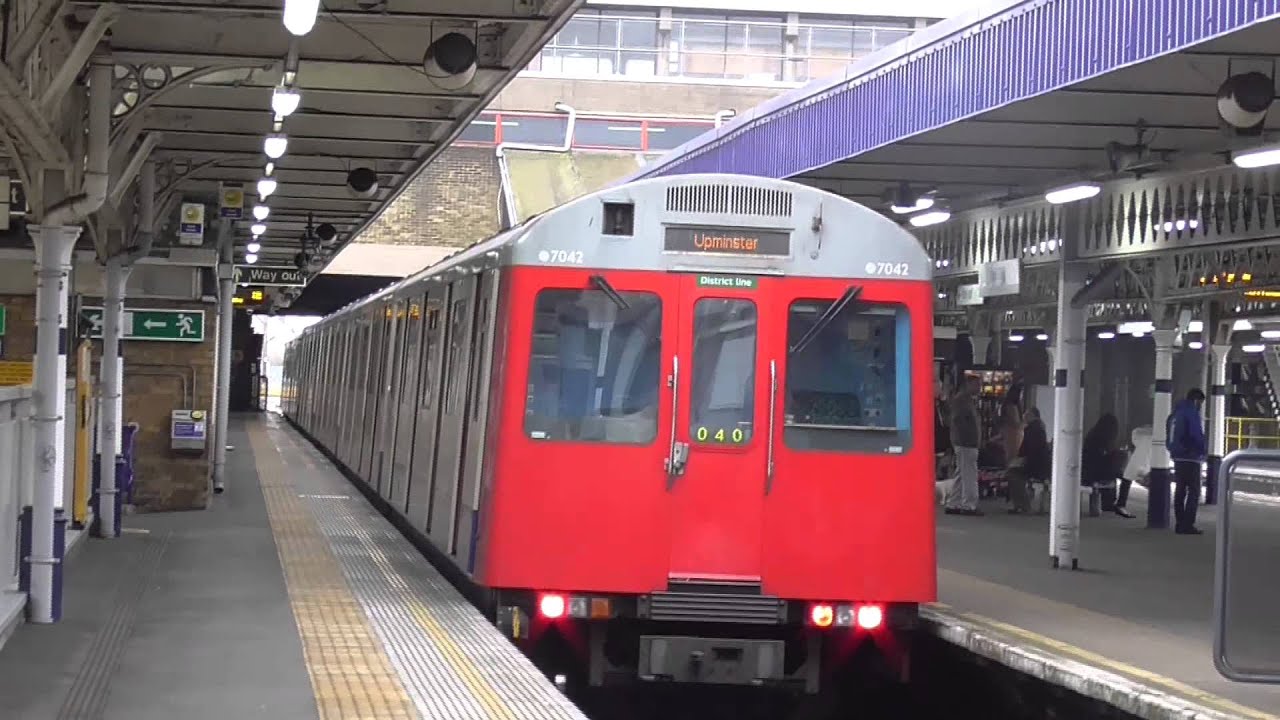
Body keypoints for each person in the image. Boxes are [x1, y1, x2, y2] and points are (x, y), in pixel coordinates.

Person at [1167, 388, 1207, 535]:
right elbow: (1196, 434)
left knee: (1180, 490)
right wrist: (1202, 451)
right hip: (1191, 457)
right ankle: (1188, 524)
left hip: (1177, 457)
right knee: (1194, 491)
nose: (1200, 407)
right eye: (1200, 403)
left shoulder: (1175, 413)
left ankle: (1179, 523)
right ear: (1196, 400)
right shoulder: (1191, 413)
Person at [945, 374, 983, 516]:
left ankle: (953, 502)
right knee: (969, 474)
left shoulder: (964, 400)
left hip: (964, 442)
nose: (979, 388)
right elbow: (958, 421)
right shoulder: (962, 401)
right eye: (977, 385)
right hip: (966, 442)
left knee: (961, 473)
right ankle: (969, 505)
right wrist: (968, 437)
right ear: (968, 384)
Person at [1081, 413, 1130, 516]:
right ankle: (1113, 503)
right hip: (1096, 473)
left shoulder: (1092, 435)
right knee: (1124, 475)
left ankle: (1109, 502)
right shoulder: (1103, 439)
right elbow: (1104, 458)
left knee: (1116, 472)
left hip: (1087, 471)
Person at [1009, 407, 1050, 514]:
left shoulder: (1032, 429)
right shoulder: (1039, 427)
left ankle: (1022, 504)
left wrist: (1019, 460)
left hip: (1034, 465)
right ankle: (1021, 504)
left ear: (1032, 416)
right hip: (1041, 464)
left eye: (1026, 414)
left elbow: (1027, 450)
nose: (1023, 417)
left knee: (1012, 474)